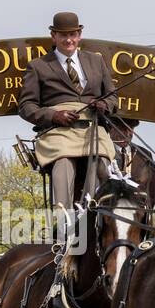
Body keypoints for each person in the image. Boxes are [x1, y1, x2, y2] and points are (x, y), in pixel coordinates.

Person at [18, 11, 116, 225]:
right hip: (59, 132)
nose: (68, 39)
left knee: (100, 163)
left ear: (80, 34)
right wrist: (54, 115)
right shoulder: (39, 66)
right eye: (63, 35)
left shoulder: (96, 61)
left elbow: (112, 97)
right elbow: (26, 106)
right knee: (62, 164)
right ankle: (64, 226)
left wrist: (103, 105)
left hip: (93, 127)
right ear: (53, 36)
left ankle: (96, 220)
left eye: (72, 34)